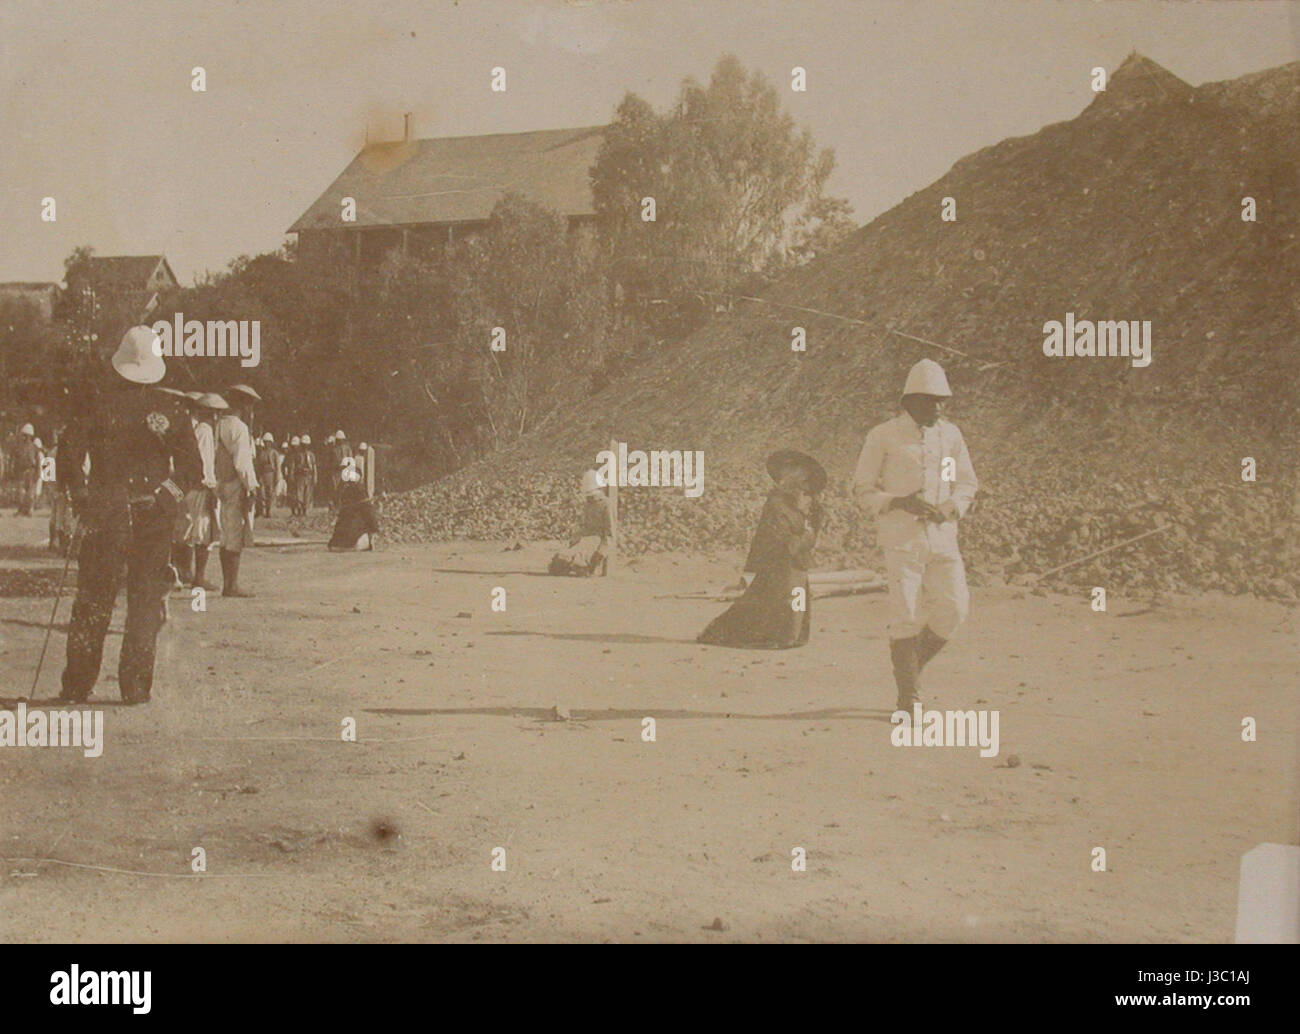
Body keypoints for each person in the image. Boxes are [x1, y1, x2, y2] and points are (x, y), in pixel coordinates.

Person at [57, 325, 203, 704]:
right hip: (153, 517)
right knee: (144, 604)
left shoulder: (95, 403)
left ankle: (76, 686)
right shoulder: (173, 410)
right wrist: (166, 499)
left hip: (105, 513)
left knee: (92, 601)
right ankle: (135, 689)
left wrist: (81, 496)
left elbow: (68, 453)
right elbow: (191, 469)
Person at [852, 358, 979, 711]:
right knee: (905, 614)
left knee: (955, 608)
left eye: (942, 400)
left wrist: (952, 507)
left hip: (943, 536)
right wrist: (898, 502)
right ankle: (909, 697)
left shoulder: (951, 435)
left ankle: (909, 670)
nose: (937, 408)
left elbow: (967, 483)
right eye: (928, 400)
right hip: (901, 538)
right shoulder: (883, 435)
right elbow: (861, 490)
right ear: (908, 402)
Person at [698, 450, 826, 648]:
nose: (803, 483)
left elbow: (809, 533)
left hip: (794, 563)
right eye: (798, 476)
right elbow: (785, 542)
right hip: (778, 563)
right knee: (777, 601)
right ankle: (784, 635)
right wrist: (806, 533)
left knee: (793, 600)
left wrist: (810, 518)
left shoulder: (801, 503)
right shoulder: (776, 504)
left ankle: (793, 634)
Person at [173, 392, 224, 590]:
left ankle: (181, 573)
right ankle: (198, 578)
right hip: (199, 485)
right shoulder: (204, 430)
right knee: (204, 531)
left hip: (184, 484)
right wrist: (208, 486)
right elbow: (202, 460)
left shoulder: (184, 427)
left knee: (183, 528)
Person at [215, 383, 261, 597]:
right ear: (243, 405)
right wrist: (251, 486)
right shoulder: (239, 428)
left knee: (224, 533)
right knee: (235, 532)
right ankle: (231, 585)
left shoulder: (216, 423)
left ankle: (228, 583)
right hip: (234, 483)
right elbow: (242, 463)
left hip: (218, 482)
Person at [548, 468, 612, 576]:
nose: (590, 499)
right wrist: (575, 539)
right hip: (584, 540)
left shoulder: (606, 504)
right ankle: (571, 563)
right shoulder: (588, 505)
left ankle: (581, 565)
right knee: (559, 561)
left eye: (592, 495)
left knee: (581, 563)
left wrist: (601, 552)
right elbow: (583, 526)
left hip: (597, 541)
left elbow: (609, 533)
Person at [328, 460, 380, 551]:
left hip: (336, 543)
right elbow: (370, 516)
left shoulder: (345, 495)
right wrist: (375, 529)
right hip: (354, 541)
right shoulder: (362, 495)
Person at [14, 423, 39, 516]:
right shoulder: (19, 447)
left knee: (30, 492)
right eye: (23, 435)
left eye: (26, 436)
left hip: (31, 472)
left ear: (30, 436)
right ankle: (21, 509)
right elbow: (16, 461)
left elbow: (38, 462)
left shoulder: (34, 448)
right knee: (20, 492)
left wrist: (38, 474)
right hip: (21, 472)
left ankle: (29, 510)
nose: (24, 438)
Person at [254, 432, 279, 518]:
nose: (266, 443)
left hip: (271, 474)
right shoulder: (262, 453)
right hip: (262, 474)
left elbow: (277, 466)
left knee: (269, 493)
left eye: (268, 442)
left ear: (271, 442)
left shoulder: (274, 453)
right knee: (261, 492)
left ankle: (268, 511)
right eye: (265, 442)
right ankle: (260, 510)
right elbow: (259, 464)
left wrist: (276, 477)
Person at [300, 434, 318, 512]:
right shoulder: (299, 454)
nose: (305, 447)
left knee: (307, 493)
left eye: (306, 445)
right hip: (300, 475)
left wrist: (315, 476)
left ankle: (305, 509)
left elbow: (314, 467)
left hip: (309, 475)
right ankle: (300, 508)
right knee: (300, 493)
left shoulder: (311, 455)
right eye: (304, 445)